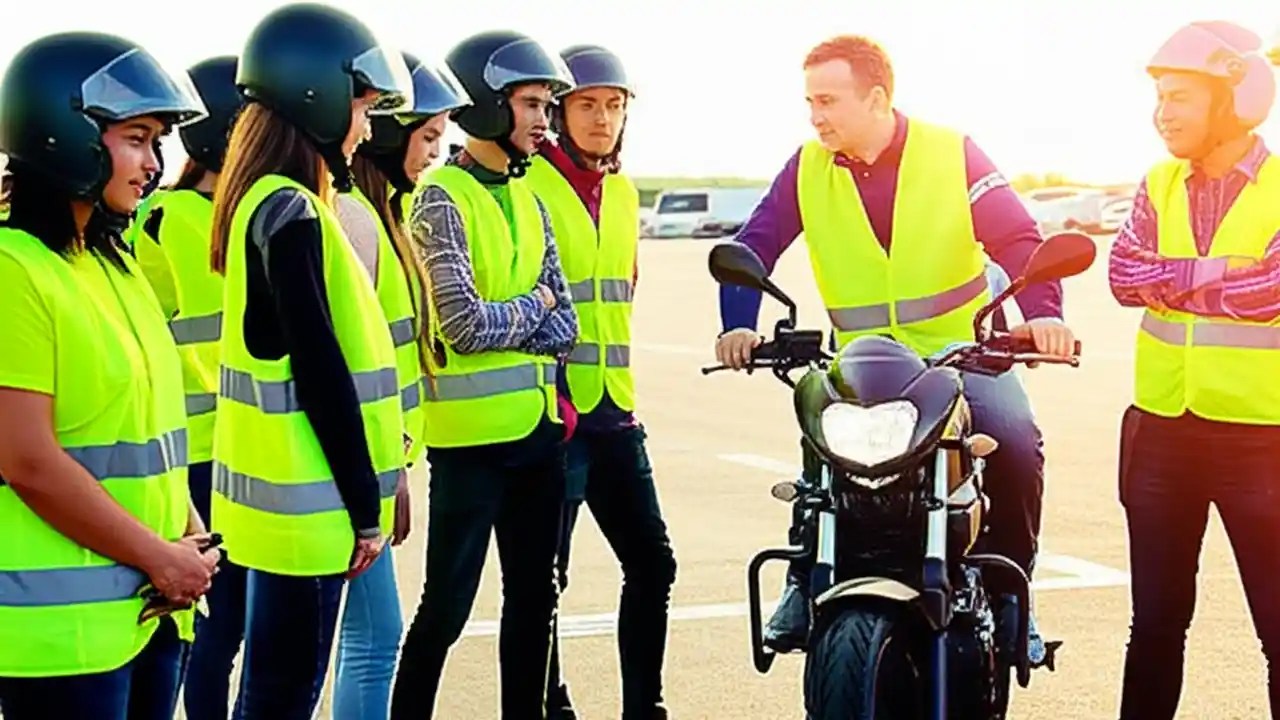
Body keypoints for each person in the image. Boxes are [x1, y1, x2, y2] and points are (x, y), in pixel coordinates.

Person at [713, 34, 1076, 664]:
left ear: (876, 98)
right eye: (809, 102)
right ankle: (805, 576)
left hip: (959, 357)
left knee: (1016, 442)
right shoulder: (807, 166)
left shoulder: (951, 153)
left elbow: (1019, 239)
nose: (815, 115)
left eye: (827, 100)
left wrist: (1045, 317)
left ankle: (1014, 596)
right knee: (817, 452)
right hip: (860, 368)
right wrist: (738, 325)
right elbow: (756, 244)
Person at [0, 31, 220, 720]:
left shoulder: (110, 262)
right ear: (67, 133)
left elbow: (144, 427)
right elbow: (26, 459)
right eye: (137, 138)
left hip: (146, 612)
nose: (154, 163)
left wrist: (189, 539)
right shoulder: (15, 270)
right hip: (62, 637)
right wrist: (161, 557)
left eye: (158, 142)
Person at [205, 4, 412, 718]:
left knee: (269, 694)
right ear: (316, 96)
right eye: (361, 103)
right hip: (313, 511)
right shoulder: (291, 214)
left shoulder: (269, 203)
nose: (367, 124)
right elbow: (322, 375)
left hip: (287, 513)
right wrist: (365, 509)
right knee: (280, 699)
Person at [389, 29, 578, 720]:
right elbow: (462, 326)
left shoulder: (531, 198)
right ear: (488, 105)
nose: (542, 120)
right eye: (531, 103)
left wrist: (533, 313)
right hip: (470, 448)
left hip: (537, 438)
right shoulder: (439, 196)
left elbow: (569, 325)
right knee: (446, 610)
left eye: (547, 107)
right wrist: (535, 304)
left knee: (536, 606)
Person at [1110, 21, 1280, 719]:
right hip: (1161, 436)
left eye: (1180, 97)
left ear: (1236, 101)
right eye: (1160, 98)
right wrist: (1224, 275)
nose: (1163, 113)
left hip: (1260, 442)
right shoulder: (1156, 182)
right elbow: (1124, 274)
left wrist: (1172, 277)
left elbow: (1271, 291)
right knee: (1153, 626)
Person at [524, 43, 676, 720]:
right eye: (587, 105)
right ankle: (550, 703)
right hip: (554, 417)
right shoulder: (530, 186)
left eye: (614, 107)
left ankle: (645, 707)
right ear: (559, 112)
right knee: (544, 580)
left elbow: (623, 293)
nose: (602, 120)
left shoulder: (624, 194)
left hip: (616, 411)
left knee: (653, 563)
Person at [329, 50, 471, 720]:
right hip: (353, 471)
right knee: (371, 638)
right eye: (429, 137)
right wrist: (386, 478)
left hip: (370, 464)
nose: (436, 154)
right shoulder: (354, 220)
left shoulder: (378, 214)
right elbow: (355, 368)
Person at [123, 55, 249, 720]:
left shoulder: (181, 212)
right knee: (218, 628)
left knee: (220, 628)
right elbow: (219, 349)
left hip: (210, 448)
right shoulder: (184, 219)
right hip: (205, 450)